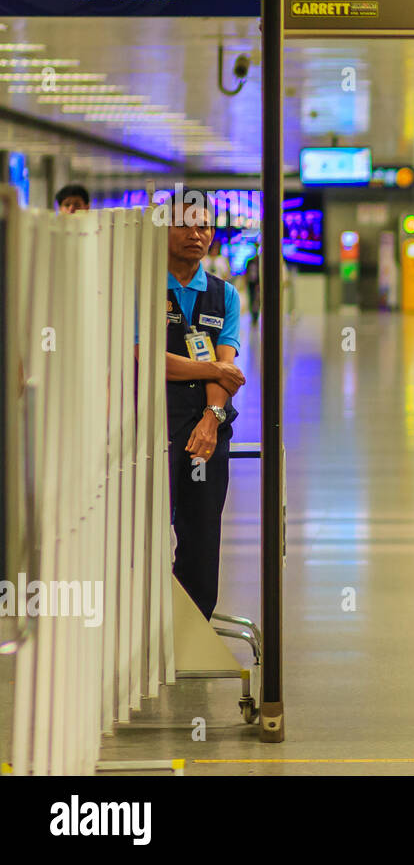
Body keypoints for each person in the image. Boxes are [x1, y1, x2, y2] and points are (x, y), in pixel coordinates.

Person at [160, 195, 245, 620]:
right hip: (154, 424)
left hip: (206, 426)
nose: (197, 234)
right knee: (149, 527)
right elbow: (148, 359)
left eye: (205, 226)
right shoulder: (143, 286)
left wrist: (211, 420)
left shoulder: (224, 294)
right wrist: (211, 366)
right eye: (186, 224)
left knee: (201, 531)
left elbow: (225, 373)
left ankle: (192, 627)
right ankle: (146, 624)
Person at [243, 245, 261, 324]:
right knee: (251, 298)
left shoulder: (260, 262)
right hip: (250, 283)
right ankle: (253, 315)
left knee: (257, 300)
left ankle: (256, 316)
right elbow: (246, 273)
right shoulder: (249, 261)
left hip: (257, 284)